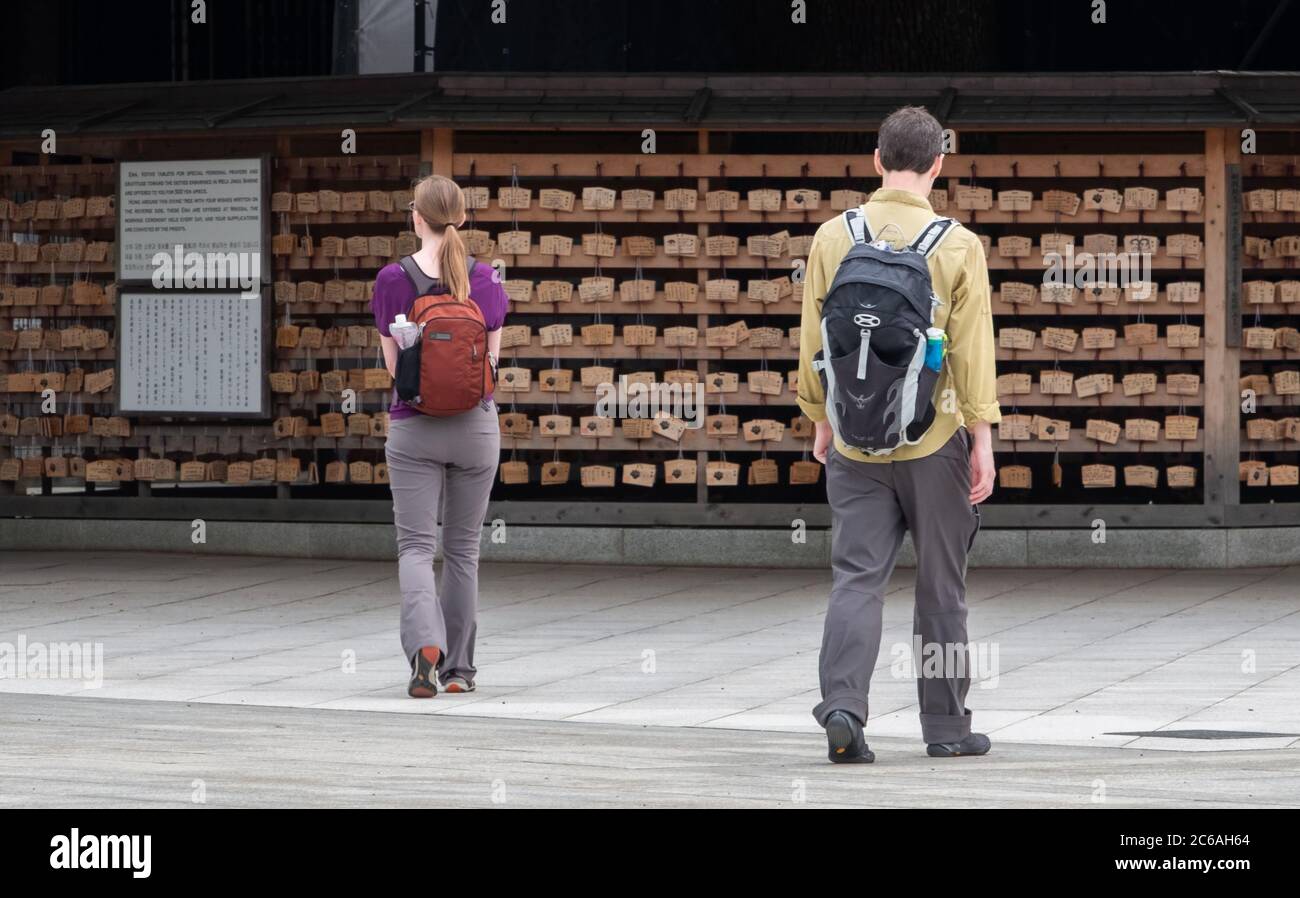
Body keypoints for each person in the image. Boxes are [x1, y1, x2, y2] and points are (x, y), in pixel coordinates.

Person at [796, 106, 1001, 763]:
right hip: (933, 439)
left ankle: (844, 709)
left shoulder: (833, 236)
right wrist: (983, 438)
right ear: (939, 165)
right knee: (943, 585)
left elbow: (812, 344)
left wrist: (822, 420)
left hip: (855, 441)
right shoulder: (959, 244)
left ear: (876, 160)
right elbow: (973, 353)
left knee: (857, 577)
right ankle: (945, 729)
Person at [371, 174, 507, 698]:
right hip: (476, 428)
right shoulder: (489, 279)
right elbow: (491, 364)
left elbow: (392, 367)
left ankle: (424, 651)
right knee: (463, 550)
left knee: (415, 548)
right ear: (463, 218)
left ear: (416, 217)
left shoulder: (391, 279)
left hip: (414, 427)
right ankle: (459, 671)